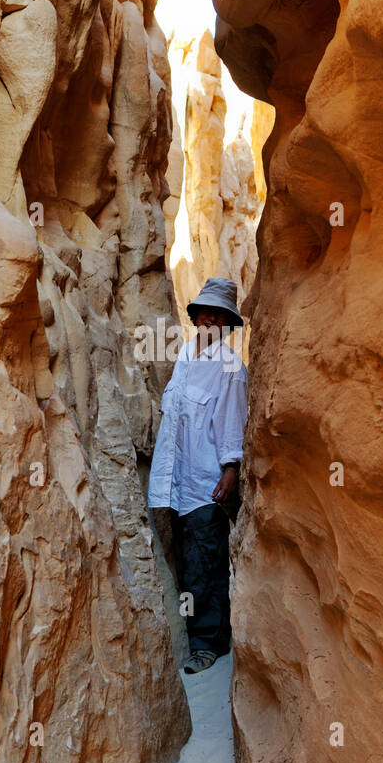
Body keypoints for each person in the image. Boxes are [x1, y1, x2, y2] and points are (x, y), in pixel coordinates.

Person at [149, 277, 248, 674]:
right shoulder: (185, 357)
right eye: (204, 311)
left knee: (207, 563)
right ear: (195, 317)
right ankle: (200, 638)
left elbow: (230, 423)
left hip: (207, 483)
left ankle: (210, 644)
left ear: (226, 323)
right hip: (177, 483)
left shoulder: (230, 368)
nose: (209, 318)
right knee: (190, 565)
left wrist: (230, 469)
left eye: (218, 315)